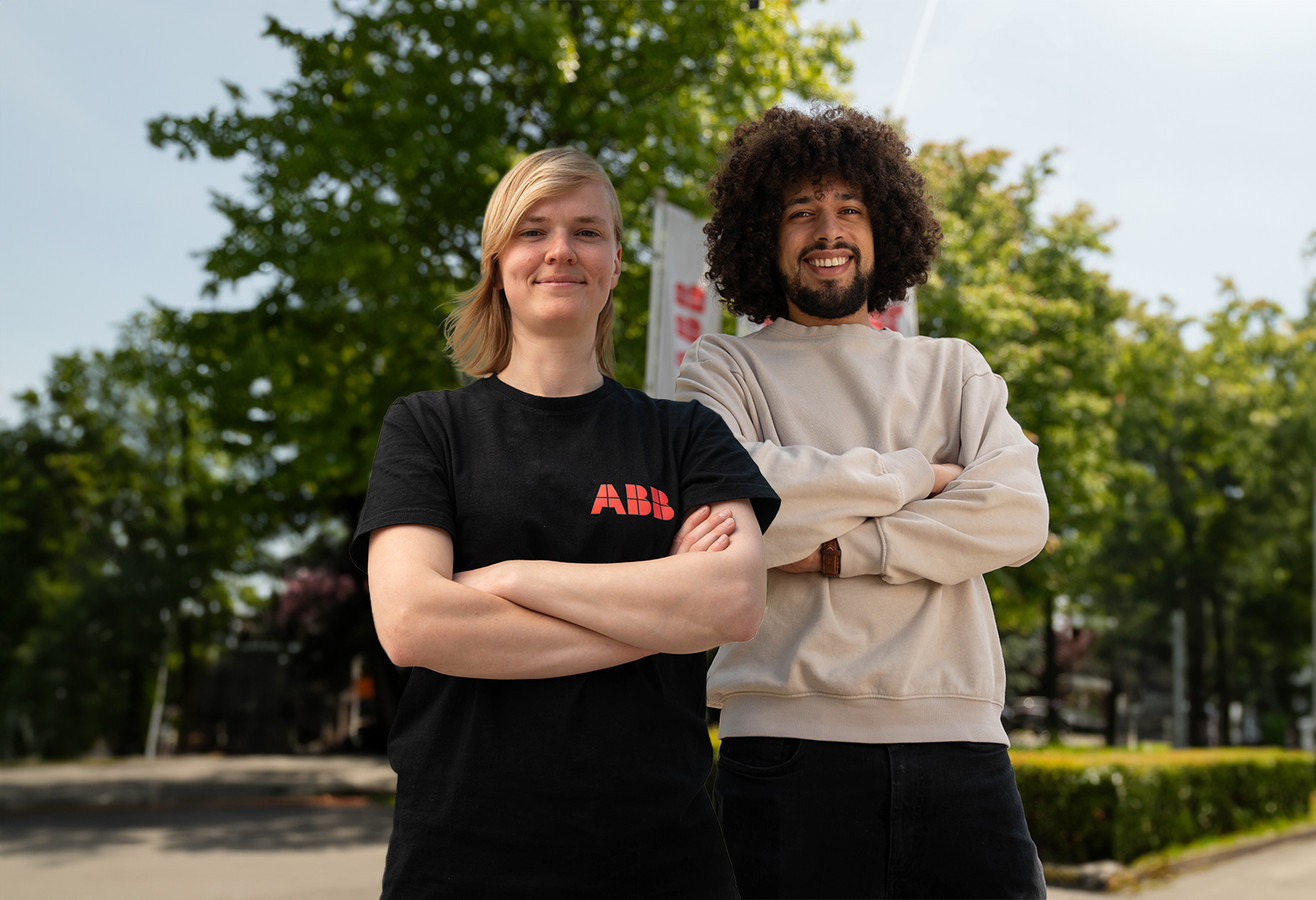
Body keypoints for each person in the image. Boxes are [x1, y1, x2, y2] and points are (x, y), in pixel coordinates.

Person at [352, 147, 779, 899]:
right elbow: (413, 623)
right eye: (533, 231)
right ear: (497, 264)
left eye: (587, 231)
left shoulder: (687, 434)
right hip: (462, 858)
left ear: (615, 264)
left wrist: (514, 579)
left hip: (663, 862)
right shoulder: (427, 428)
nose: (560, 250)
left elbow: (734, 604)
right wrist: (662, 612)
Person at [675, 106, 1050, 899]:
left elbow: (1017, 513)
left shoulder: (953, 367)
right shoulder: (721, 368)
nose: (828, 230)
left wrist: (845, 550)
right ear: (762, 235)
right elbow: (733, 504)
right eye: (800, 212)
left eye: (850, 209)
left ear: (885, 230)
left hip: (962, 746)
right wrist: (919, 474)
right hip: (782, 750)